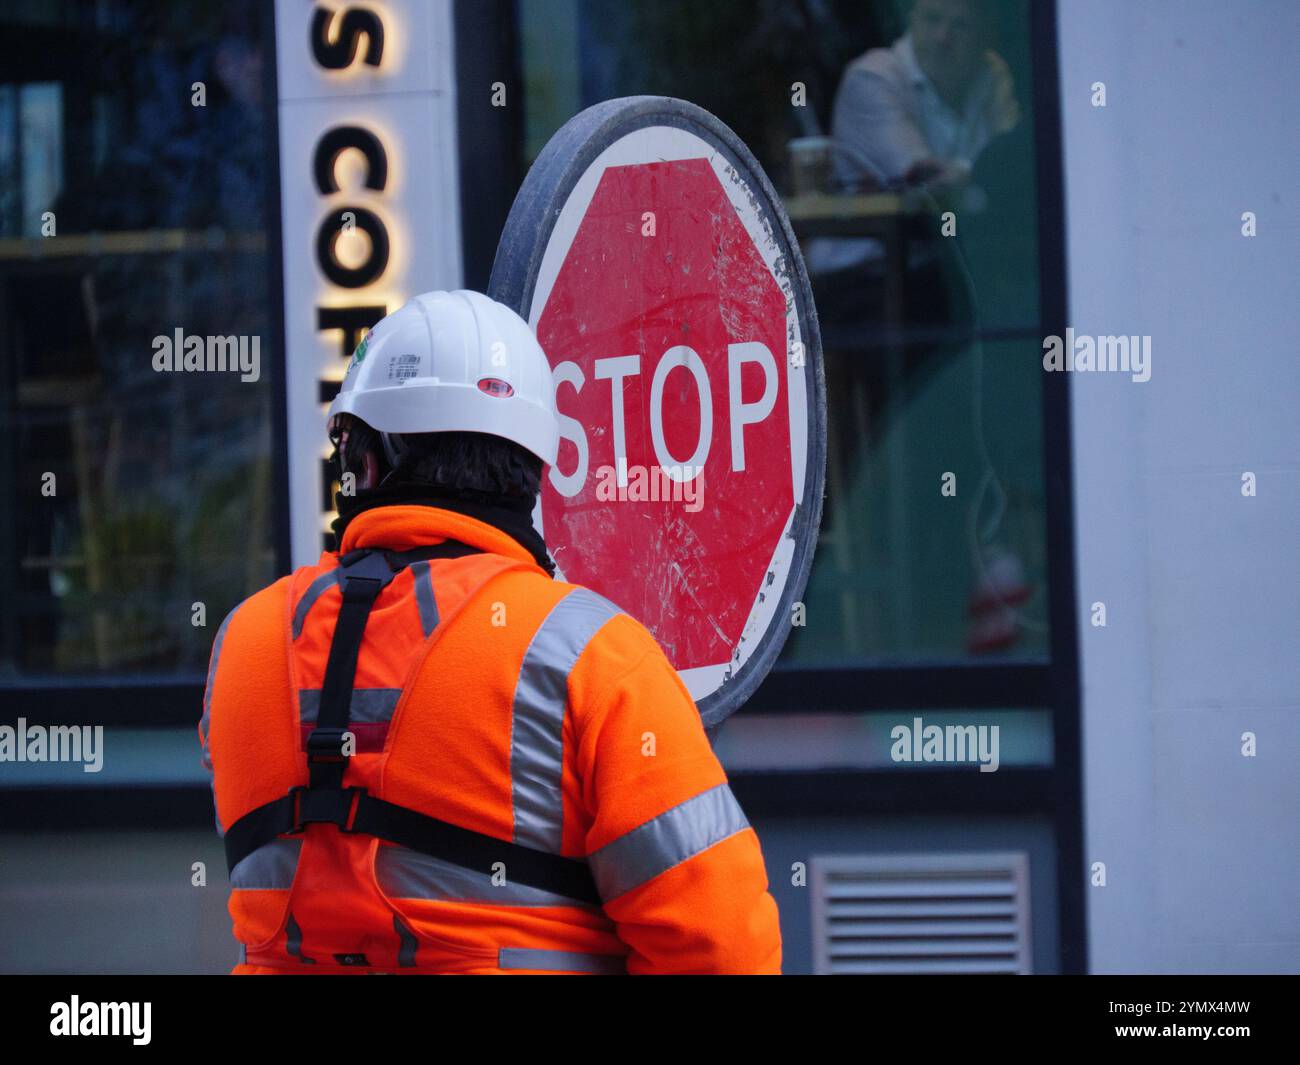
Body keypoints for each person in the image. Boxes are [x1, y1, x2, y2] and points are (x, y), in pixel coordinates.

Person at [198, 290, 782, 974]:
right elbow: (723, 950)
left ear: (366, 462)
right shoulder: (594, 655)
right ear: (534, 470)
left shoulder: (242, 642)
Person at [830, 0, 1019, 192]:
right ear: (911, 19)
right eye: (932, 19)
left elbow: (1019, 166)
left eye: (961, 25)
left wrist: (975, 174)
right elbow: (925, 180)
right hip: (891, 222)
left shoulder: (991, 74)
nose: (943, 37)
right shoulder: (870, 78)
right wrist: (982, 174)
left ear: (985, 36)